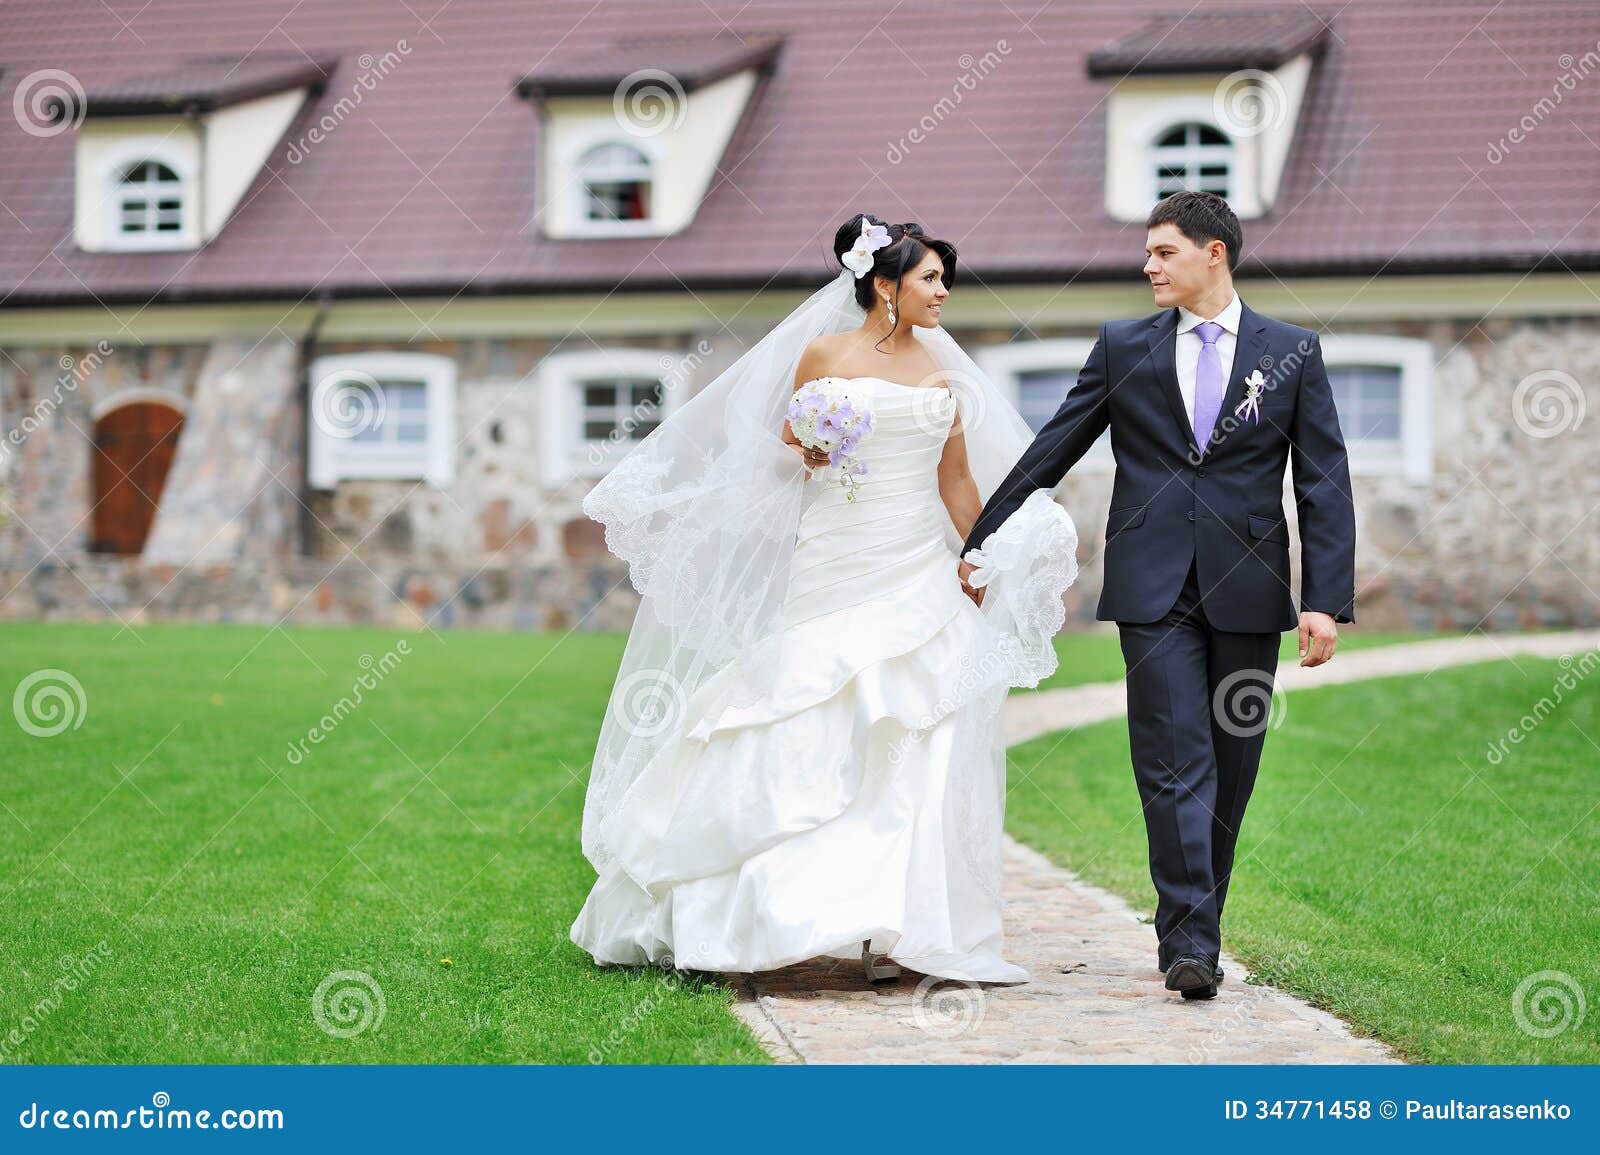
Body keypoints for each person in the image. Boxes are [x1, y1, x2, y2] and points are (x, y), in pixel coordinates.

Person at [570, 213, 1080, 986]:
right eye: (930, 278)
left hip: (917, 566)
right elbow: (783, 454)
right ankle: (774, 912)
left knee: (920, 729)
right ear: (885, 285)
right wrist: (806, 448)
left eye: (945, 279)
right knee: (807, 708)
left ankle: (894, 924)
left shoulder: (946, 373)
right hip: (835, 559)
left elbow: (956, 482)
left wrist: (981, 556)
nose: (944, 291)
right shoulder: (823, 355)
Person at [957, 190, 1357, 1000]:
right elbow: (1053, 448)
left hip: (1251, 585)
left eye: (1164, 251)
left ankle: (1196, 921)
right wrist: (981, 539)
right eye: (1147, 252)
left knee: (1231, 768)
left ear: (1215, 254)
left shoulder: (1292, 351)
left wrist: (1324, 598)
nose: (1148, 266)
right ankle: (1191, 943)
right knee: (1173, 760)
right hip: (1151, 585)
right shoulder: (1122, 347)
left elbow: (1322, 478)